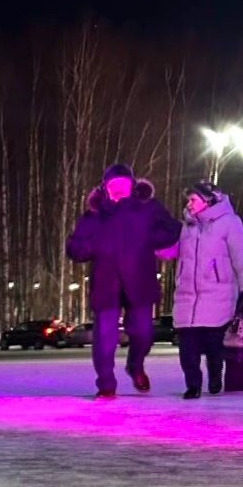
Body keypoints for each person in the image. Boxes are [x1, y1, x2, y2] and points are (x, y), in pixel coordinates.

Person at [65, 162, 182, 398]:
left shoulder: (147, 209)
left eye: (123, 184)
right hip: (106, 285)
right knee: (104, 339)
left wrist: (150, 239)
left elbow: (173, 229)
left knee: (144, 333)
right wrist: (92, 246)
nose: (118, 189)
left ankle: (135, 365)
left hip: (139, 282)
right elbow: (74, 247)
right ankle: (106, 384)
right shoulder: (94, 216)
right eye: (113, 185)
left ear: (132, 185)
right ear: (105, 188)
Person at [162, 181, 243, 399]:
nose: (189, 203)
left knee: (214, 346)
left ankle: (215, 377)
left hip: (217, 294)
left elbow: (240, 257)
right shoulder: (186, 226)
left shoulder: (230, 223)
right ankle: (193, 385)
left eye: (193, 199)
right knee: (187, 349)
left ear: (207, 200)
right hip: (187, 297)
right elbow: (171, 251)